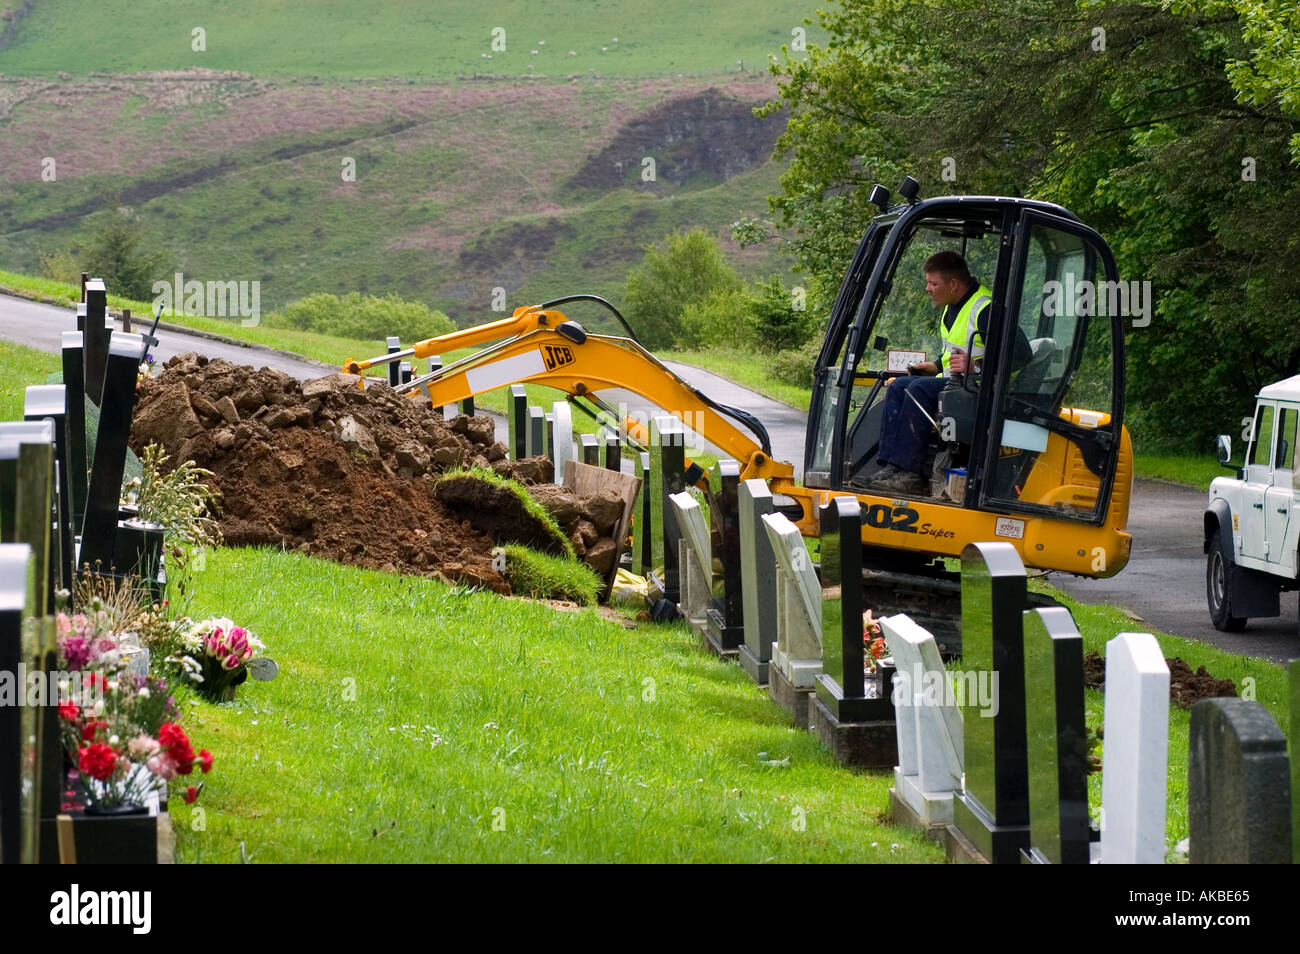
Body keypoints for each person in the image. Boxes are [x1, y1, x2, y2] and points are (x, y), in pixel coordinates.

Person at [865, 251, 996, 495]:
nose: (928, 288)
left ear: (953, 285)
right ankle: (891, 466)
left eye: (933, 283)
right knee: (898, 385)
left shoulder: (986, 309)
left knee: (917, 390)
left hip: (979, 390)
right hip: (954, 384)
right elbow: (956, 349)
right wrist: (936, 365)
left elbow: (1019, 355)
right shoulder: (952, 308)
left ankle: (910, 474)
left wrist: (977, 367)